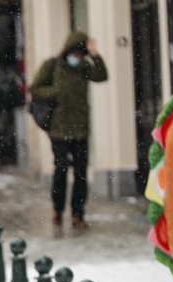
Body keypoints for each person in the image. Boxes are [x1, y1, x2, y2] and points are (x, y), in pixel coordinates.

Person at [28, 31, 108, 229]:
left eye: (81, 54)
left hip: (81, 130)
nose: (77, 57)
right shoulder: (52, 65)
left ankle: (78, 213)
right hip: (58, 129)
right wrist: (54, 92)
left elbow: (101, 76)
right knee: (61, 169)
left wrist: (95, 55)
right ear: (67, 51)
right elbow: (34, 88)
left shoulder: (83, 68)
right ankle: (57, 209)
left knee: (81, 173)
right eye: (75, 53)